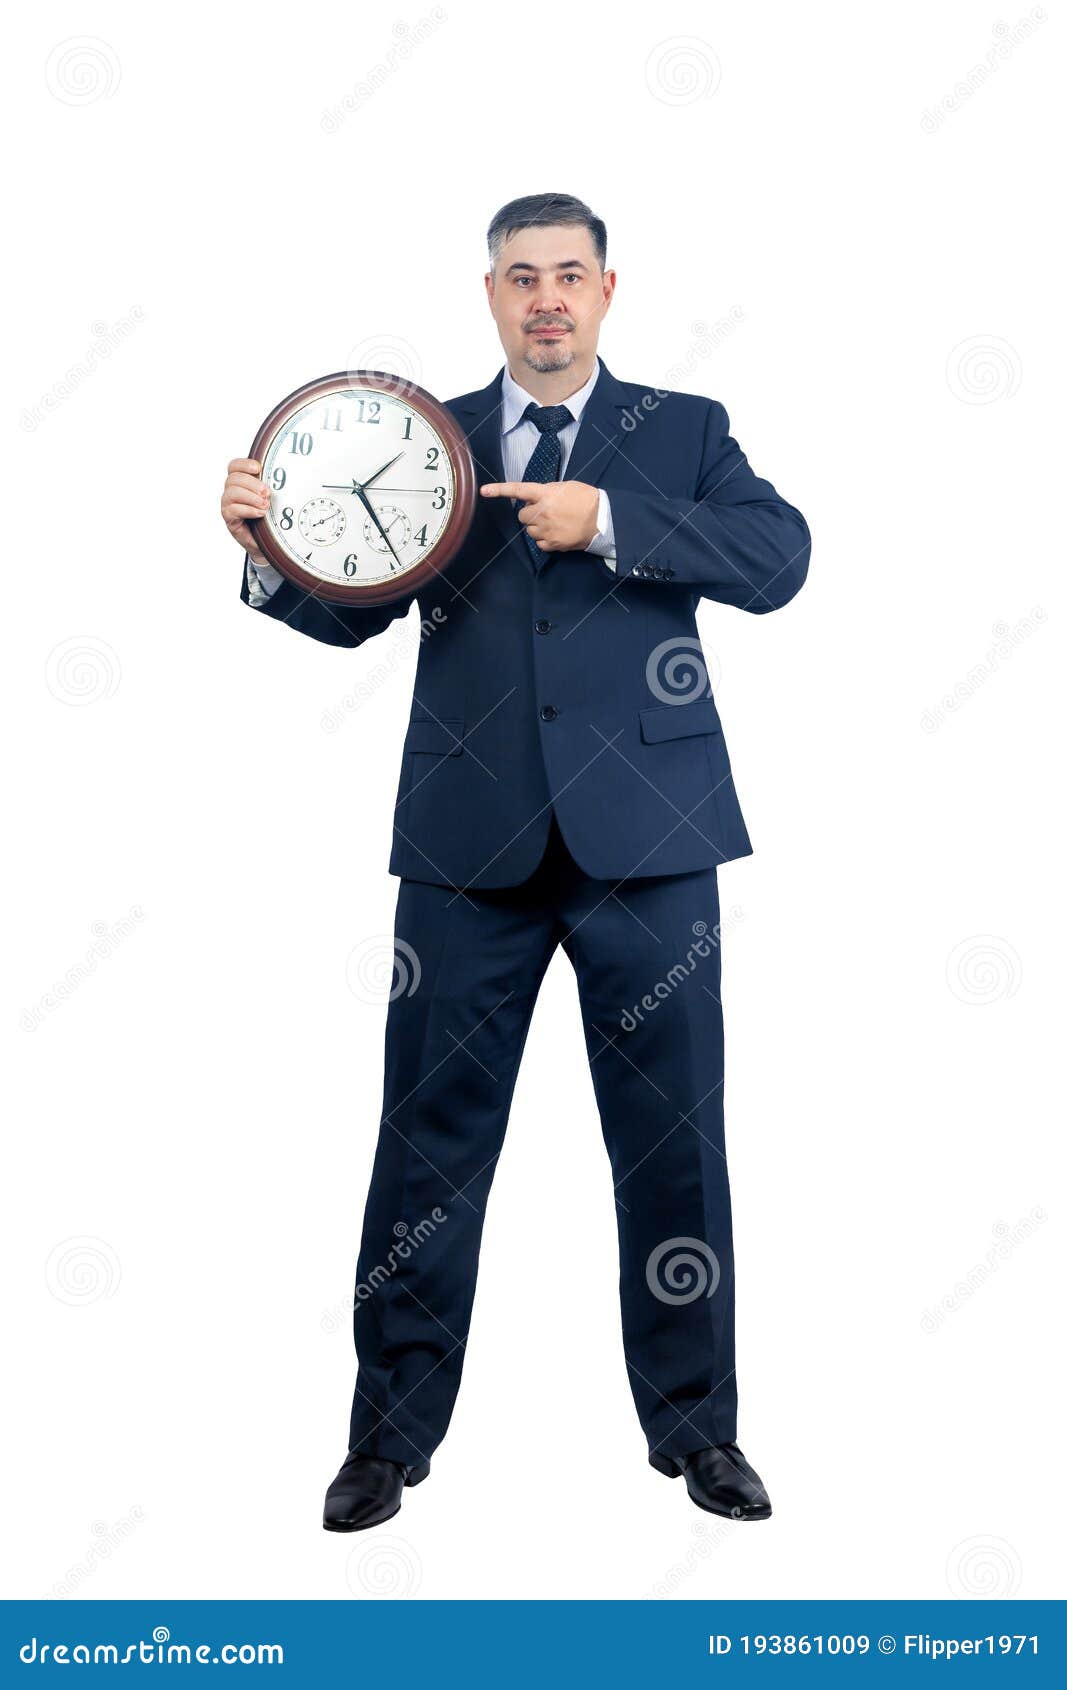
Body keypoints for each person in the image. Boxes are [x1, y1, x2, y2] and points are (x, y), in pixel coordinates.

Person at [220, 193, 811, 1532]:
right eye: (520, 277)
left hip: (651, 843)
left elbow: (782, 561)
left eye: (569, 275)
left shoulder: (684, 433)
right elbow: (349, 608)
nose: (546, 297)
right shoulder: (422, 438)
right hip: (464, 845)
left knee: (675, 1149)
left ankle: (699, 1432)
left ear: (609, 291)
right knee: (424, 1144)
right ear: (491, 296)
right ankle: (385, 1438)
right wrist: (268, 547)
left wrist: (610, 519)